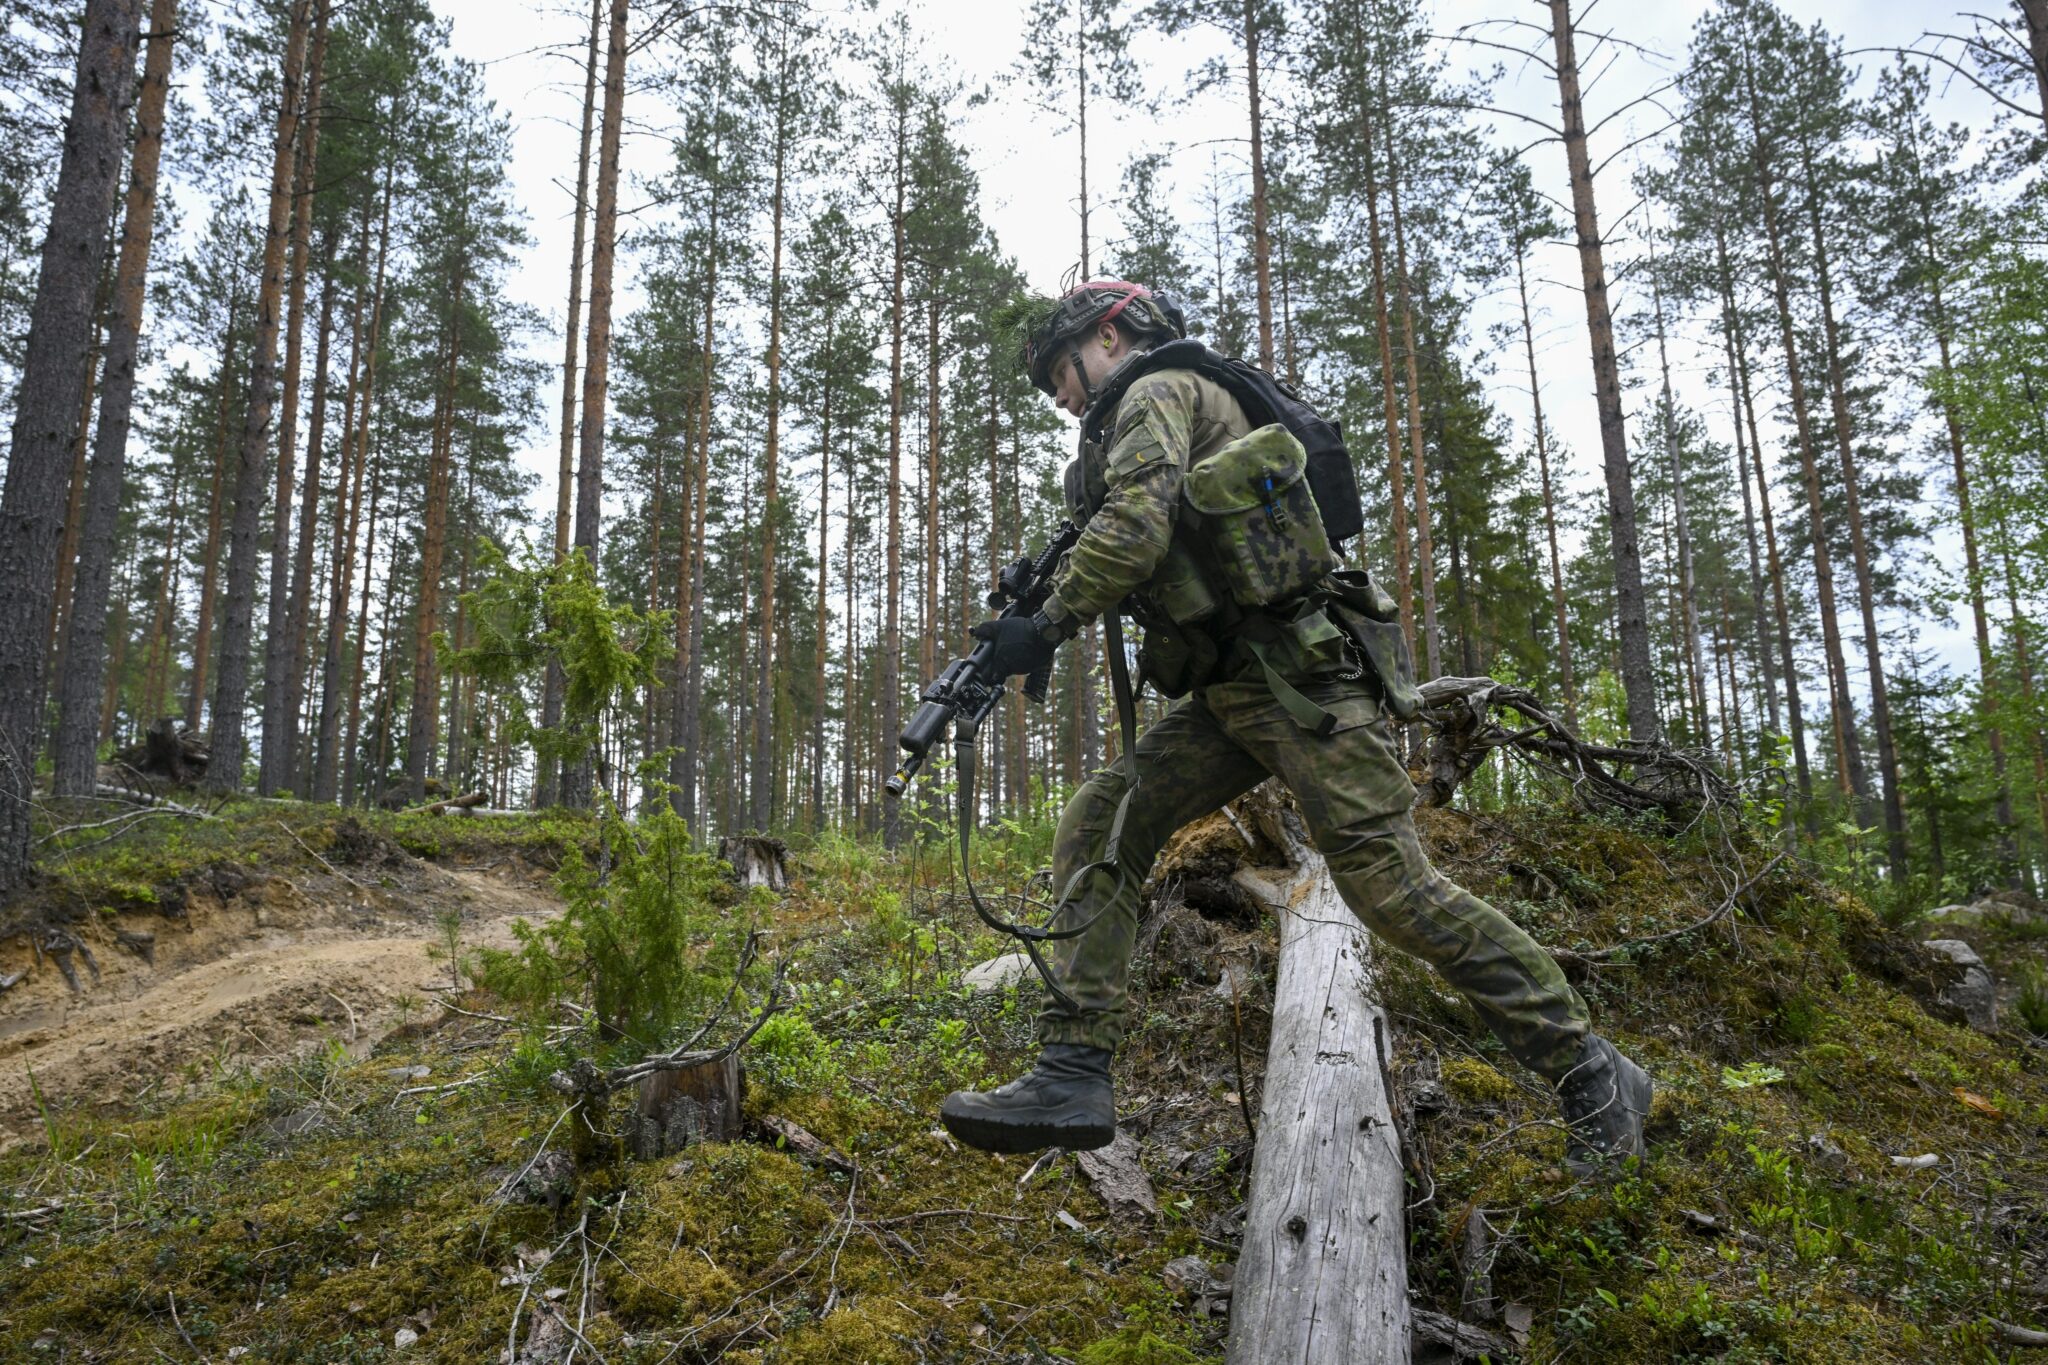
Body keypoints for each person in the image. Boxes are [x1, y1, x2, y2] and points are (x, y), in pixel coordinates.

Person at [938, 278, 1652, 1179]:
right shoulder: (1138, 416)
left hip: (1306, 676)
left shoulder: (1156, 390)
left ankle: (1590, 1068)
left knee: (1392, 888)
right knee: (1102, 821)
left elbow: (1135, 528)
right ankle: (1073, 1070)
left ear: (1109, 336)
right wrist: (1037, 612)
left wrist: (1045, 626)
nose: (1059, 396)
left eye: (1060, 373)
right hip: (1232, 690)